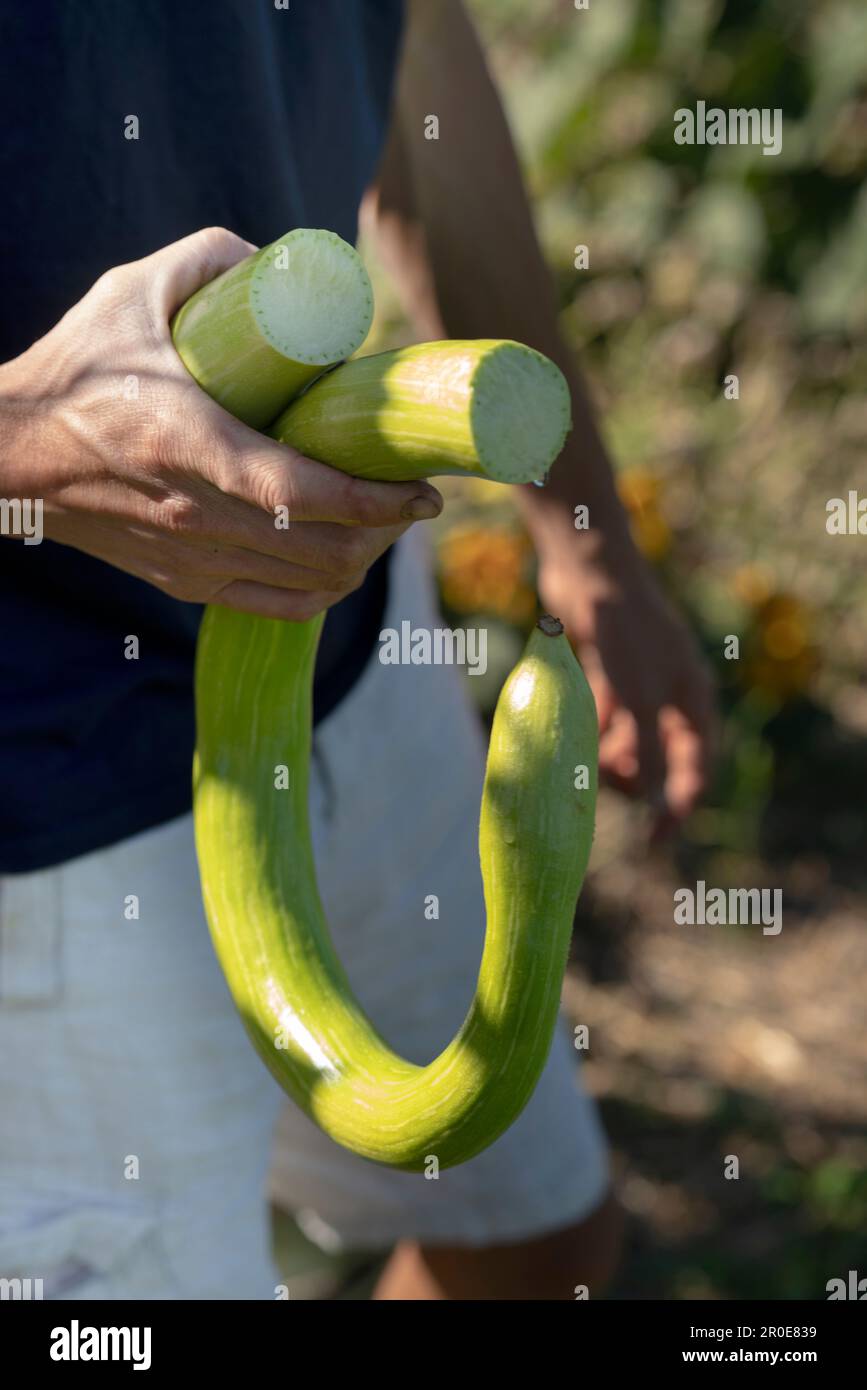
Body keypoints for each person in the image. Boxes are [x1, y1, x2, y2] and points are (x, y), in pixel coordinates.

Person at [0, 0, 714, 1300]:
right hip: (44, 801)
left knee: (533, 1241)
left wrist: (591, 536)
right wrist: (27, 444)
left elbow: (415, 63)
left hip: (339, 640)